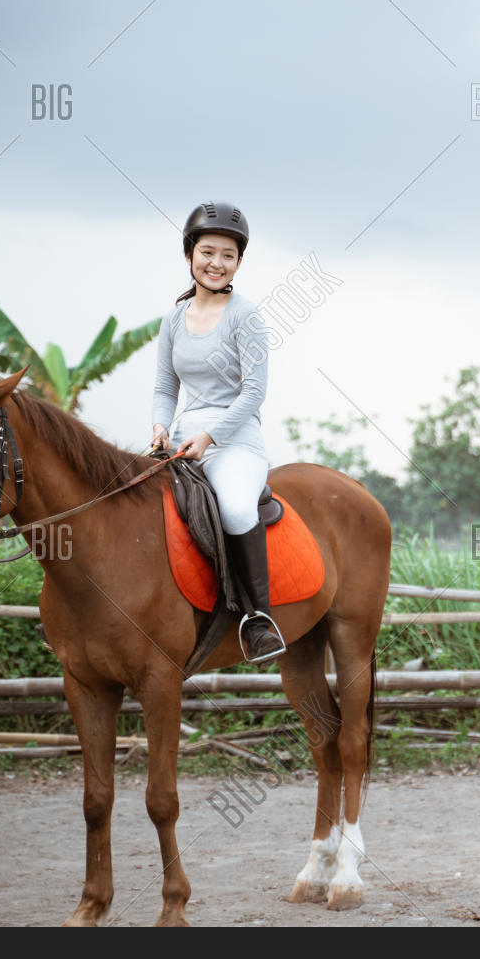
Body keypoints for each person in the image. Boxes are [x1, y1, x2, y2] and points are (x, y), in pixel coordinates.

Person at [151, 201, 286, 663]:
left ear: (239, 262)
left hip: (236, 440)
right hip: (183, 439)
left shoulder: (245, 316)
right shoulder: (173, 319)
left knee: (232, 506)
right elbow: (164, 388)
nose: (216, 263)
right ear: (190, 255)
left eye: (228, 255)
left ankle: (258, 618)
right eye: (207, 252)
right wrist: (159, 427)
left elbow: (254, 393)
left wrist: (209, 437)